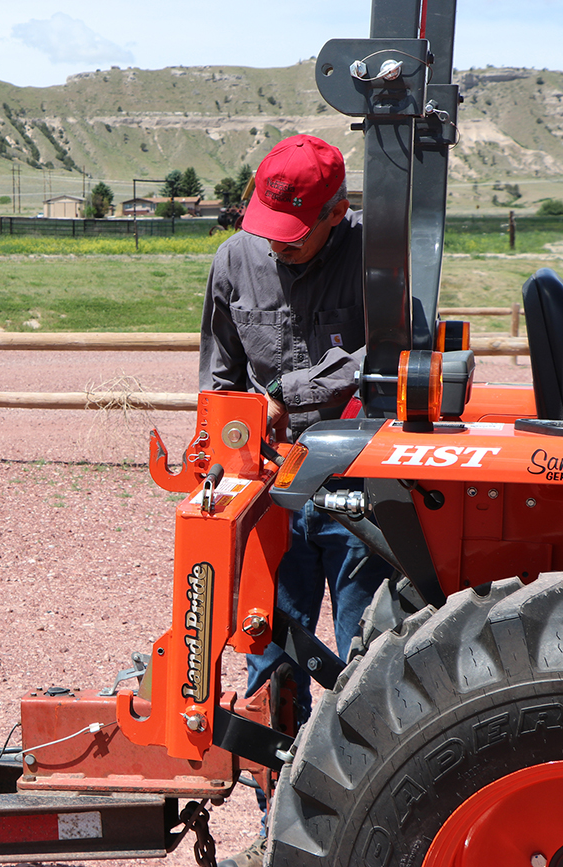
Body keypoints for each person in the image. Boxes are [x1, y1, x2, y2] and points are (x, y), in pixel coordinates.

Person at [198, 135, 394, 867]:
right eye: (270, 230)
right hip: (271, 491)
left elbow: (381, 358)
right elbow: (218, 380)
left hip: (358, 491)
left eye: (296, 233)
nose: (279, 249)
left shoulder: (379, 260)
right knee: (269, 658)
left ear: (336, 212)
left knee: (366, 658)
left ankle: (370, 826)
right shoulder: (234, 260)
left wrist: (286, 395)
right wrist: (221, 460)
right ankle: (278, 828)